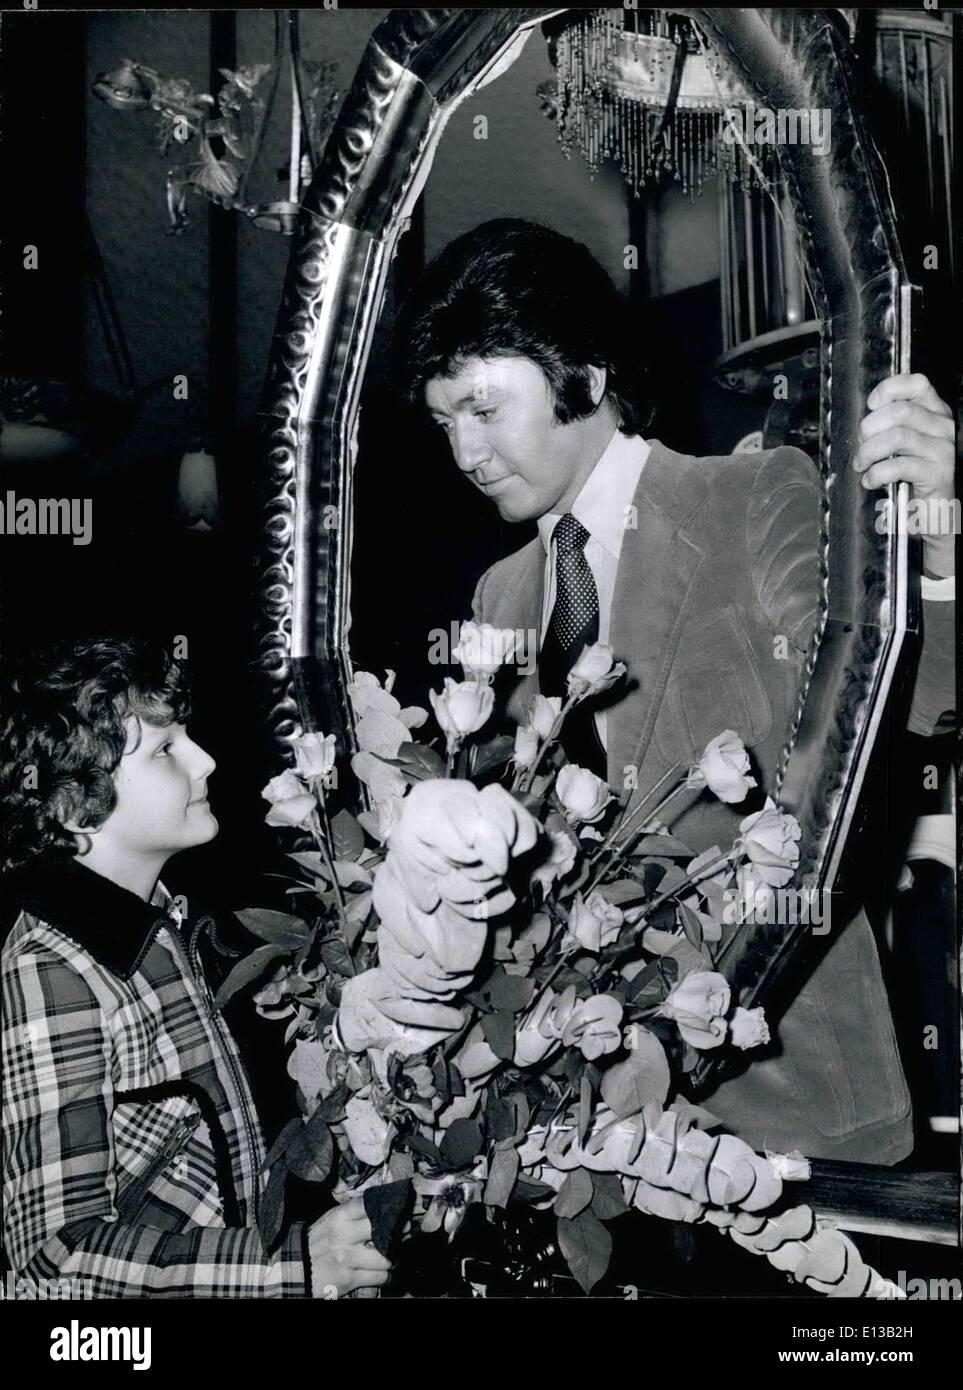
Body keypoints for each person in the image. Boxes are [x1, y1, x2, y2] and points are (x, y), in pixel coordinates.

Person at [398, 218, 956, 1165]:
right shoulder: (499, 594)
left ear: (583, 371)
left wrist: (942, 543)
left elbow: (915, 698)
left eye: (484, 410)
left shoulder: (755, 498)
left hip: (788, 1113)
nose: (463, 450)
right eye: (445, 419)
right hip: (580, 1143)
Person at [1, 637, 391, 1298]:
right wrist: (284, 1267)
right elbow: (50, 1267)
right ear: (70, 805)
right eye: (163, 750)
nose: (205, 760)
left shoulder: (175, 921)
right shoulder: (49, 972)